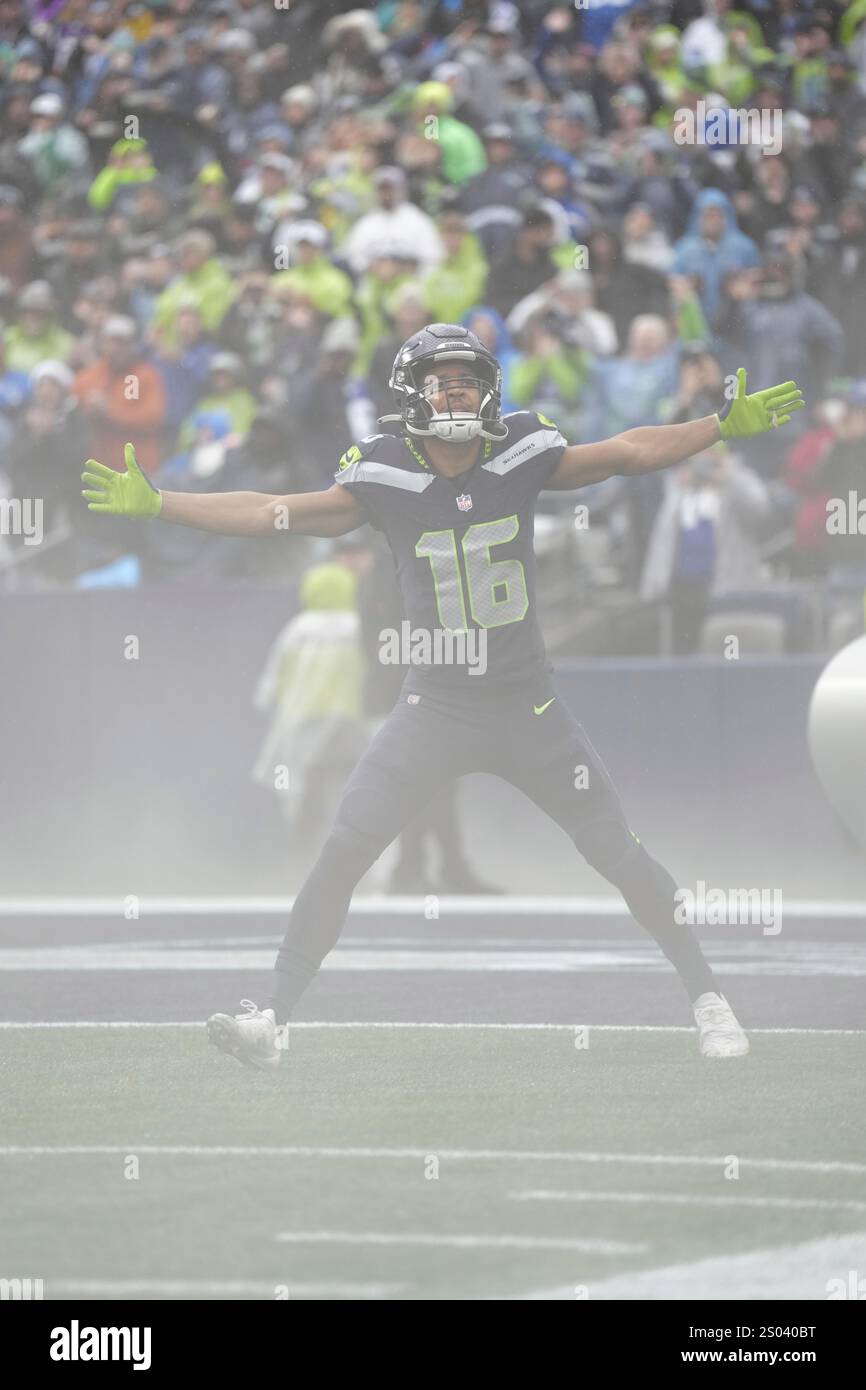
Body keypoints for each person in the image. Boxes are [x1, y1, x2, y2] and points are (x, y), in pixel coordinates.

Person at [81, 324, 806, 1069]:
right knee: (345, 847)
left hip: (527, 705)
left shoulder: (521, 451)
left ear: (489, 388)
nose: (455, 391)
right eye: (440, 380)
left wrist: (716, 427)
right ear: (414, 394)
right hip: (436, 706)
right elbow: (275, 509)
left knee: (616, 850)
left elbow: (628, 452)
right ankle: (274, 1018)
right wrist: (162, 503)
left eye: (467, 379)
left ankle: (709, 1000)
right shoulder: (384, 472)